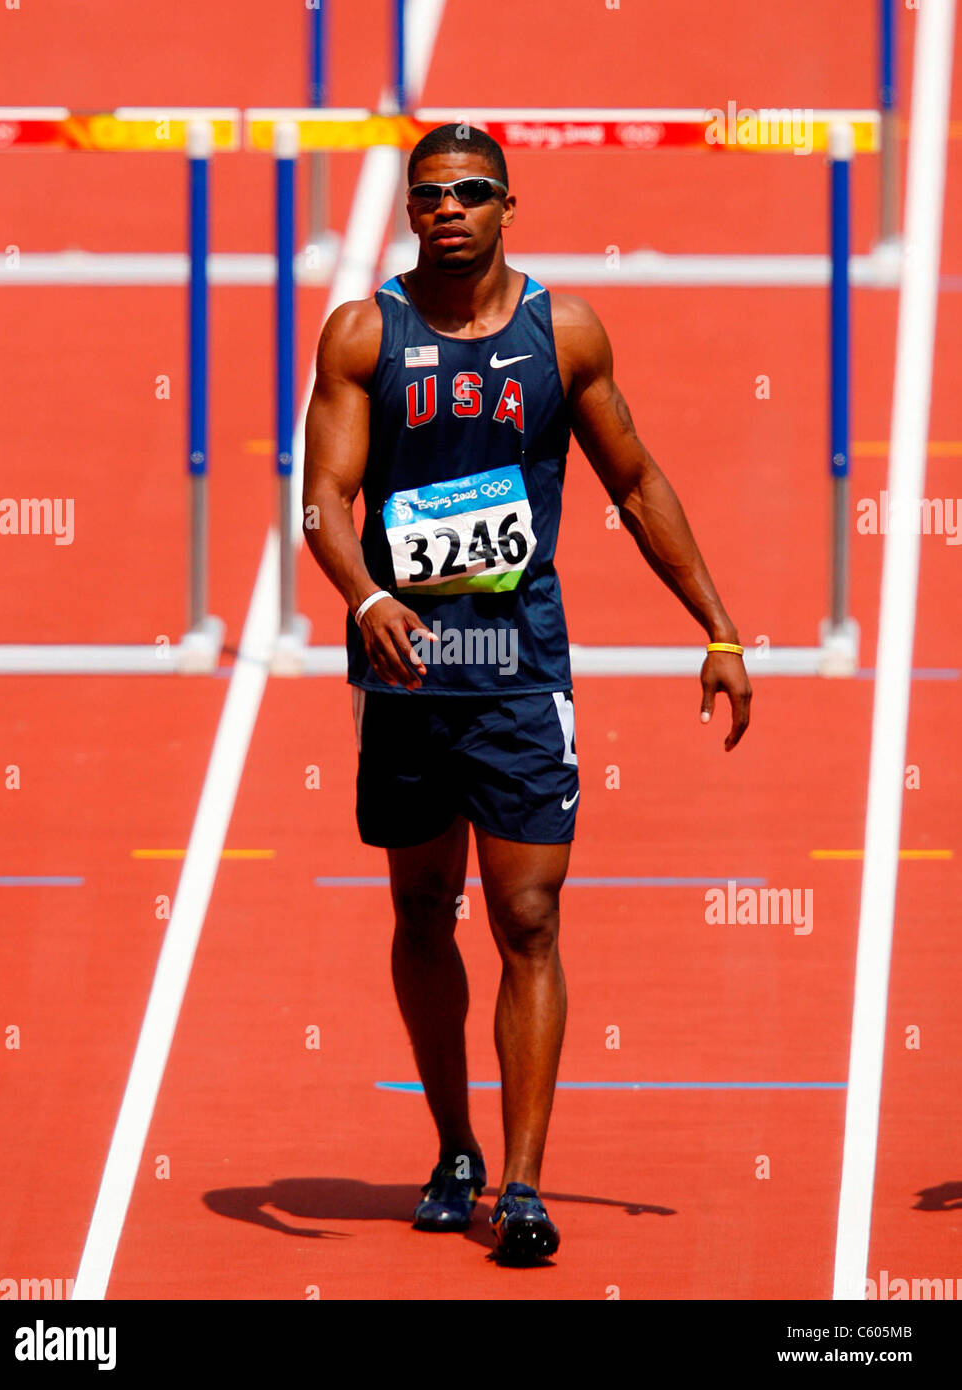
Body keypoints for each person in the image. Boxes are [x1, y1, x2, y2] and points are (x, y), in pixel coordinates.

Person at [302, 124, 751, 1264]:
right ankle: (453, 1147)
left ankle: (524, 1181)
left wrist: (718, 626)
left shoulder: (566, 333)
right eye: (428, 195)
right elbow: (323, 500)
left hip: (516, 668)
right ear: (409, 213)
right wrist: (365, 600)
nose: (446, 209)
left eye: (469, 192)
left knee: (529, 918)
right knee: (418, 911)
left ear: (510, 204)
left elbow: (637, 480)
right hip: (404, 666)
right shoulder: (364, 335)